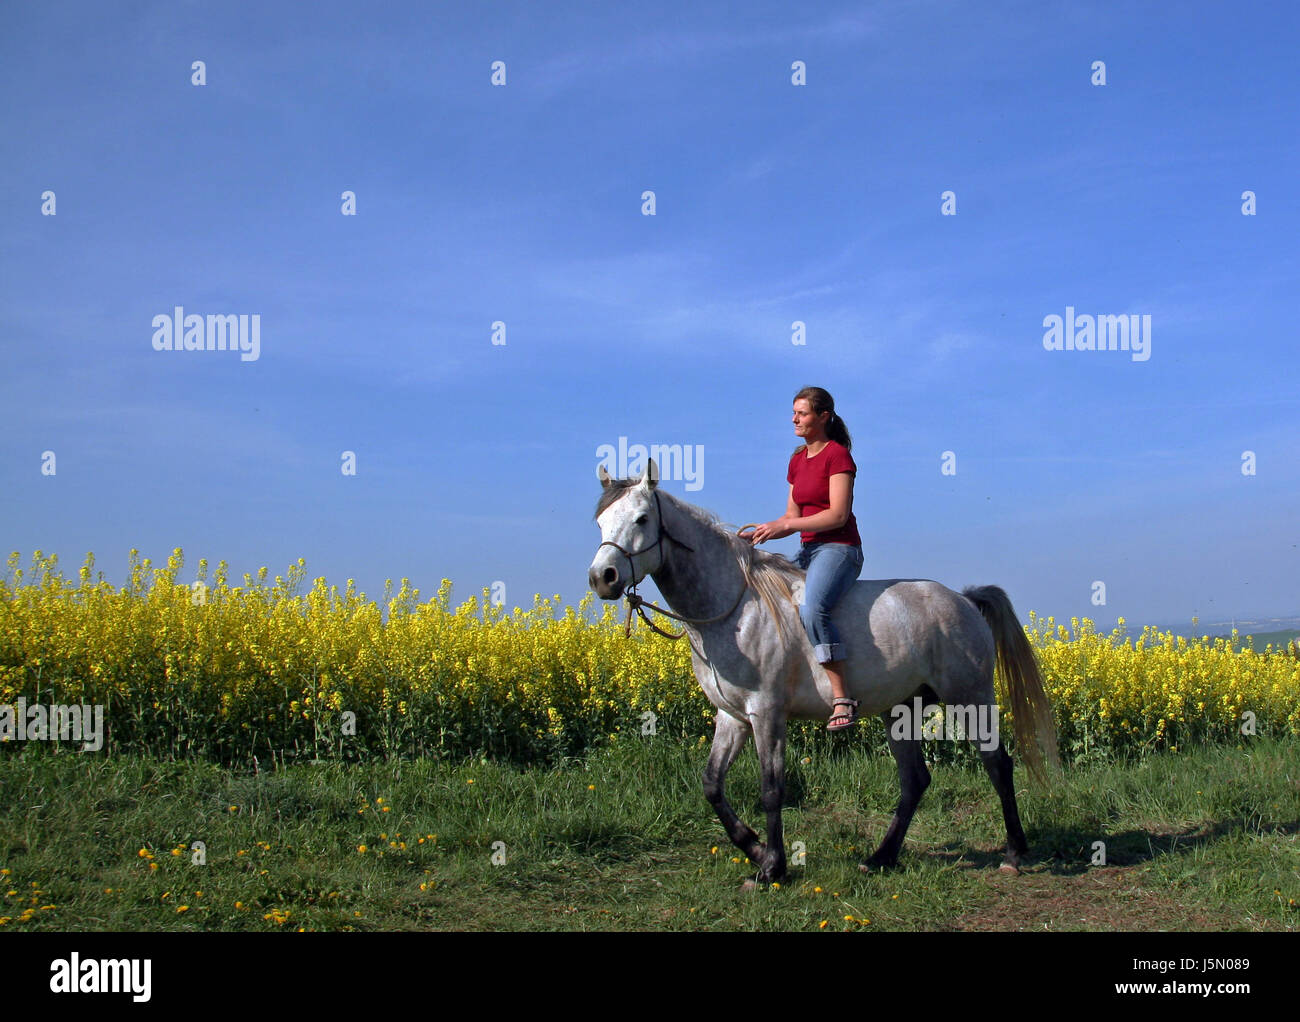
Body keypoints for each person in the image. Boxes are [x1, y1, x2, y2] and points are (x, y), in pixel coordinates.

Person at [747, 387, 864, 730]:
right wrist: (764, 532)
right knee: (768, 601)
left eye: (802, 413)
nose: (794, 418)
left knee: (813, 608)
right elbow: (790, 516)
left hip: (839, 549)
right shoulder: (797, 459)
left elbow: (837, 516)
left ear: (823, 417)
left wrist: (785, 525)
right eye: (794, 412)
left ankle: (842, 697)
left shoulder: (838, 455)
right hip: (808, 550)